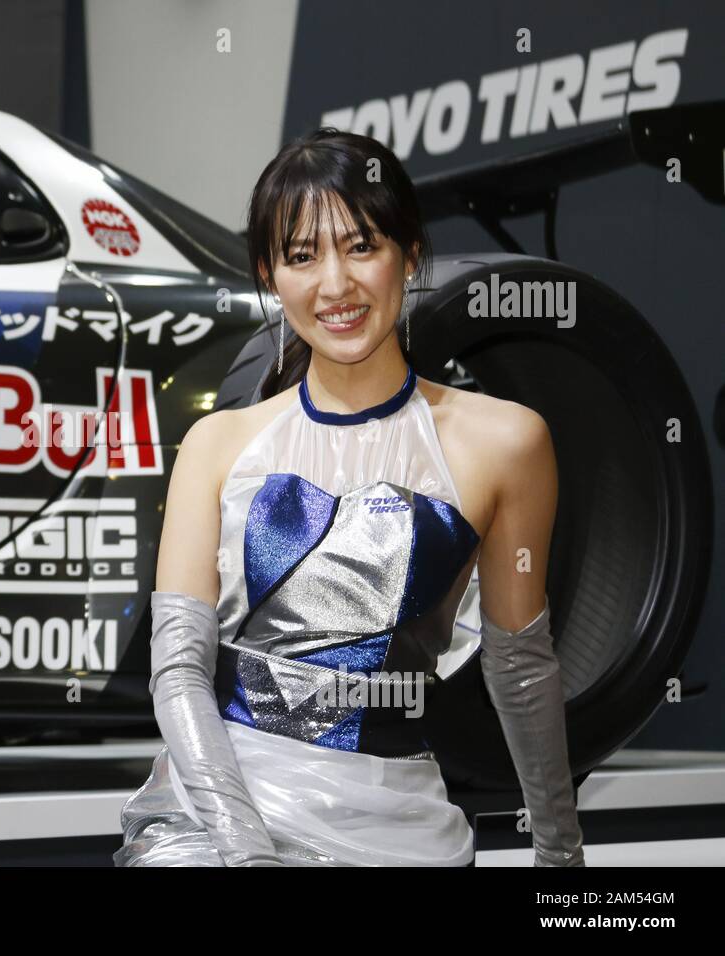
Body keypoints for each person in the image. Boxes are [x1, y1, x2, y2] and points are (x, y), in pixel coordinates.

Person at [113, 128, 585, 867]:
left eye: (361, 245)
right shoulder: (216, 444)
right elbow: (177, 672)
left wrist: (562, 862)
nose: (334, 285)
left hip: (399, 824)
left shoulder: (505, 443)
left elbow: (520, 669)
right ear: (271, 275)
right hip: (216, 816)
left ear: (410, 253)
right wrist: (247, 853)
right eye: (302, 256)